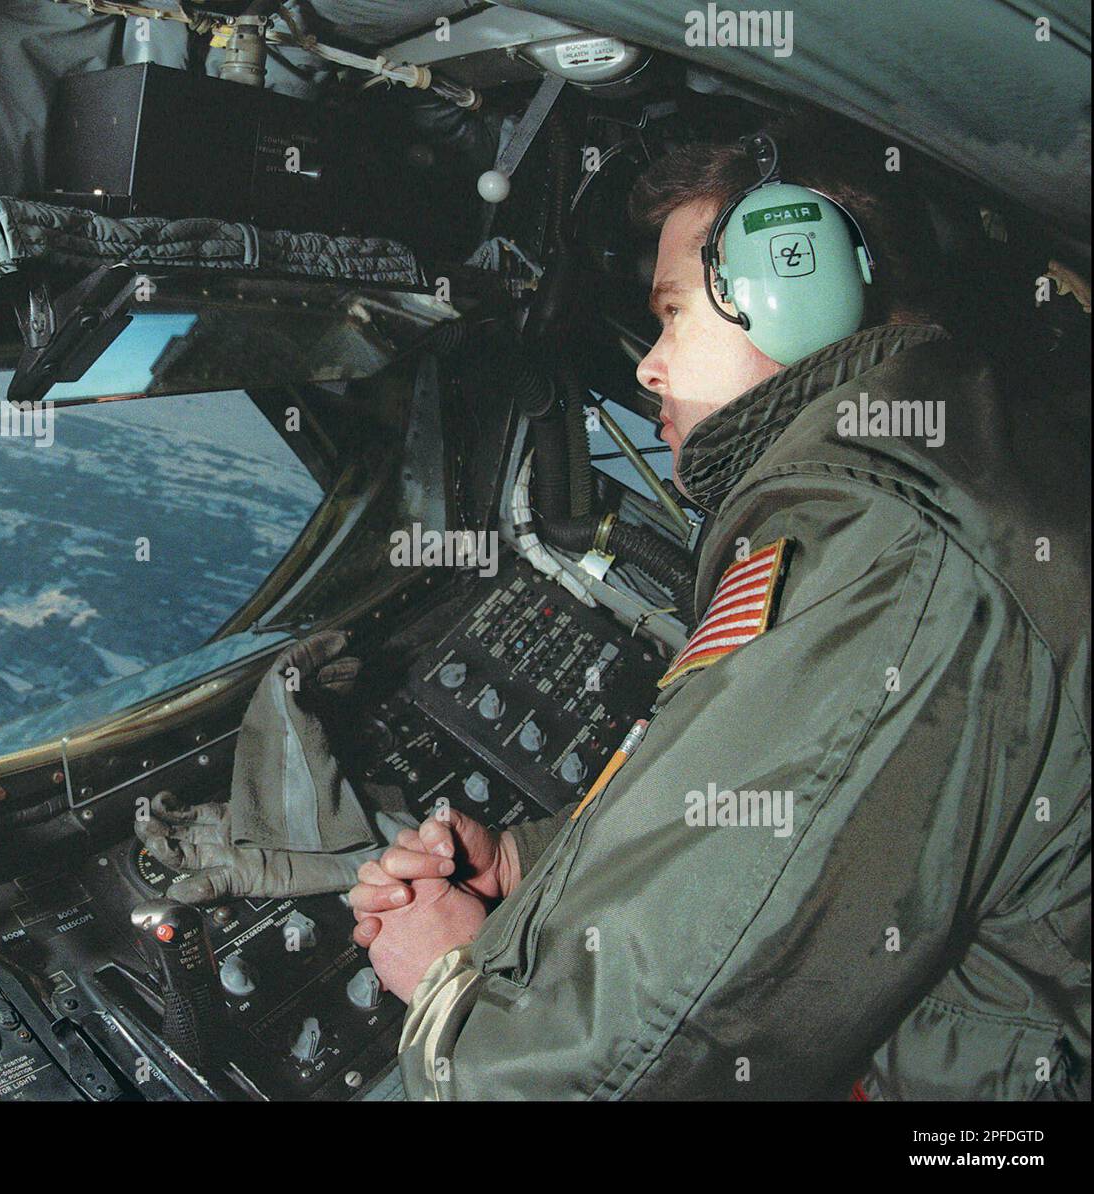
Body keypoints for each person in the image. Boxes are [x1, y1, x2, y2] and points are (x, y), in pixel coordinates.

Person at [348, 120, 1091, 1100]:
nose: (649, 366)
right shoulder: (939, 470)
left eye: (670, 316)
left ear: (799, 289)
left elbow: (626, 1068)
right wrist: (530, 865)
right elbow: (786, 828)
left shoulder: (893, 545)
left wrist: (452, 998)